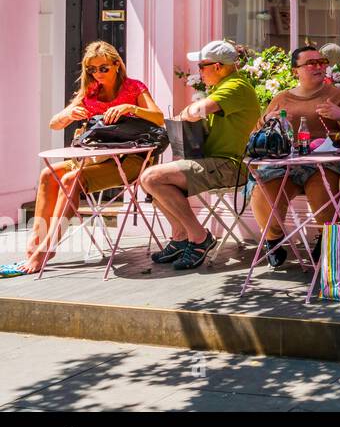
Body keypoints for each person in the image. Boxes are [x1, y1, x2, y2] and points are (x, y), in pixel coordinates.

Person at [2, 41, 165, 278]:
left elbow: (159, 117)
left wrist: (130, 108)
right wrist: (68, 114)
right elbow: (54, 124)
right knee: (48, 174)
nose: (98, 74)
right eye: (92, 69)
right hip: (95, 157)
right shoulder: (91, 92)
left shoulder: (134, 87)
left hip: (130, 160)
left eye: (103, 68)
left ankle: (47, 249)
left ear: (117, 65)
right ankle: (34, 245)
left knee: (70, 180)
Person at [139, 40, 261, 271]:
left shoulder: (236, 87)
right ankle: (180, 237)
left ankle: (199, 237)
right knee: (151, 183)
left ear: (218, 66)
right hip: (214, 162)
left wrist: (187, 112)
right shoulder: (224, 86)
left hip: (230, 166)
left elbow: (196, 111)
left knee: (152, 178)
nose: (200, 72)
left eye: (201, 66)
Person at [252, 45, 340, 269]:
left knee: (324, 193)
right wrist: (267, 120)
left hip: (324, 164)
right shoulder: (281, 98)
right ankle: (273, 239)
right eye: (311, 63)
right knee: (263, 192)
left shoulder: (337, 95)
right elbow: (256, 134)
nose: (319, 67)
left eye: (321, 62)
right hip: (285, 164)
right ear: (295, 70)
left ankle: (325, 237)